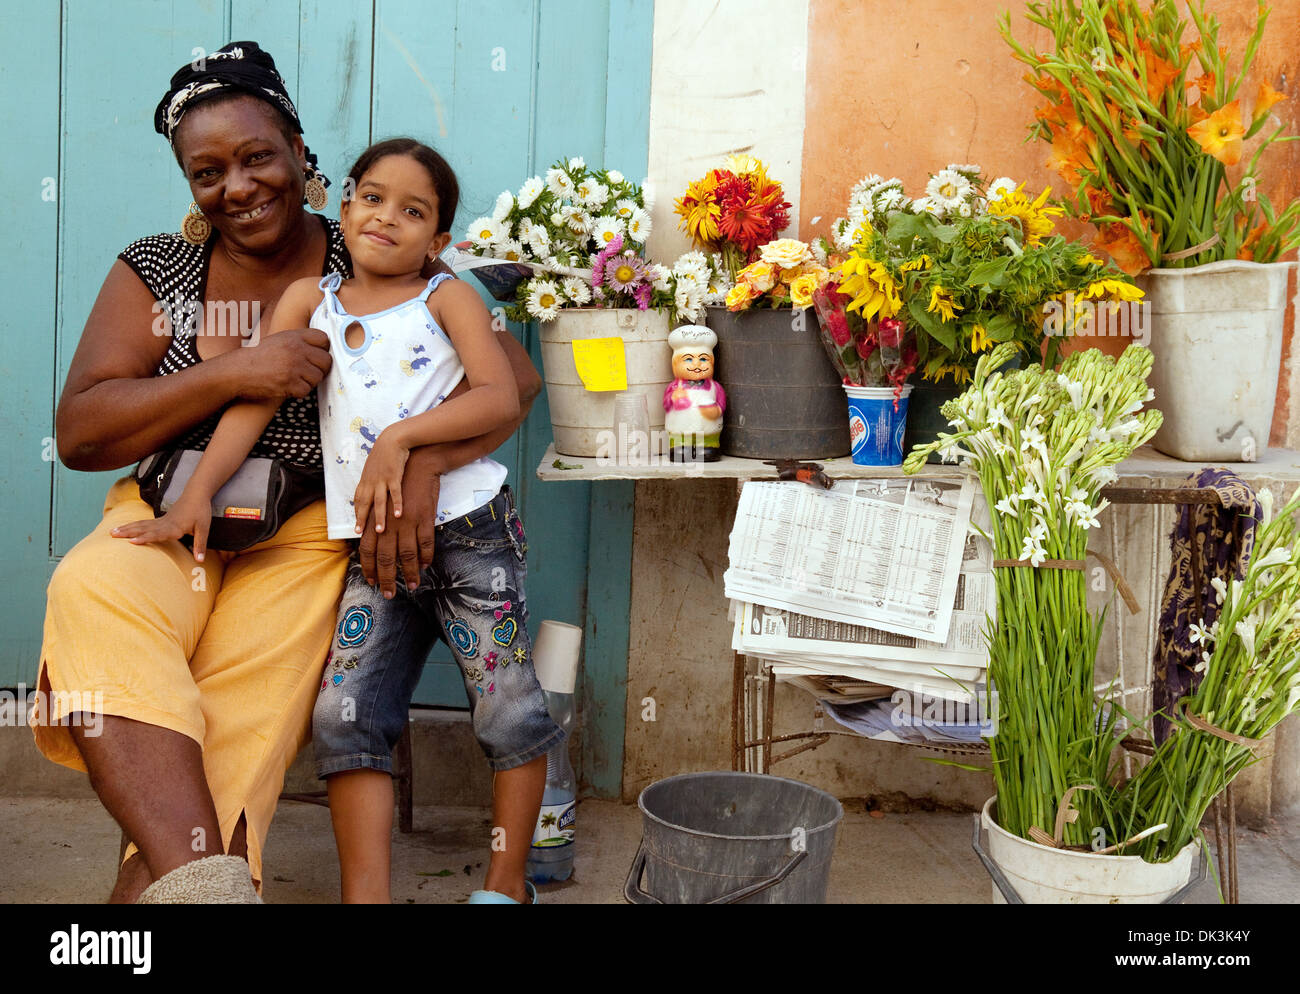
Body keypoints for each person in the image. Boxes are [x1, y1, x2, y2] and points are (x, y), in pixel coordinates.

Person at [34, 41, 541, 903]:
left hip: (306, 530)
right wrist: (234, 371)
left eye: (258, 156)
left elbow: (514, 385)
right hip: (174, 509)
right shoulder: (161, 268)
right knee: (91, 593)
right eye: (208, 171)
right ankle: (204, 885)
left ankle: (173, 893)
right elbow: (81, 431)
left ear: (303, 156)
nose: (238, 185)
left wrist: (420, 463)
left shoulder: (375, 244)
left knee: (246, 701)